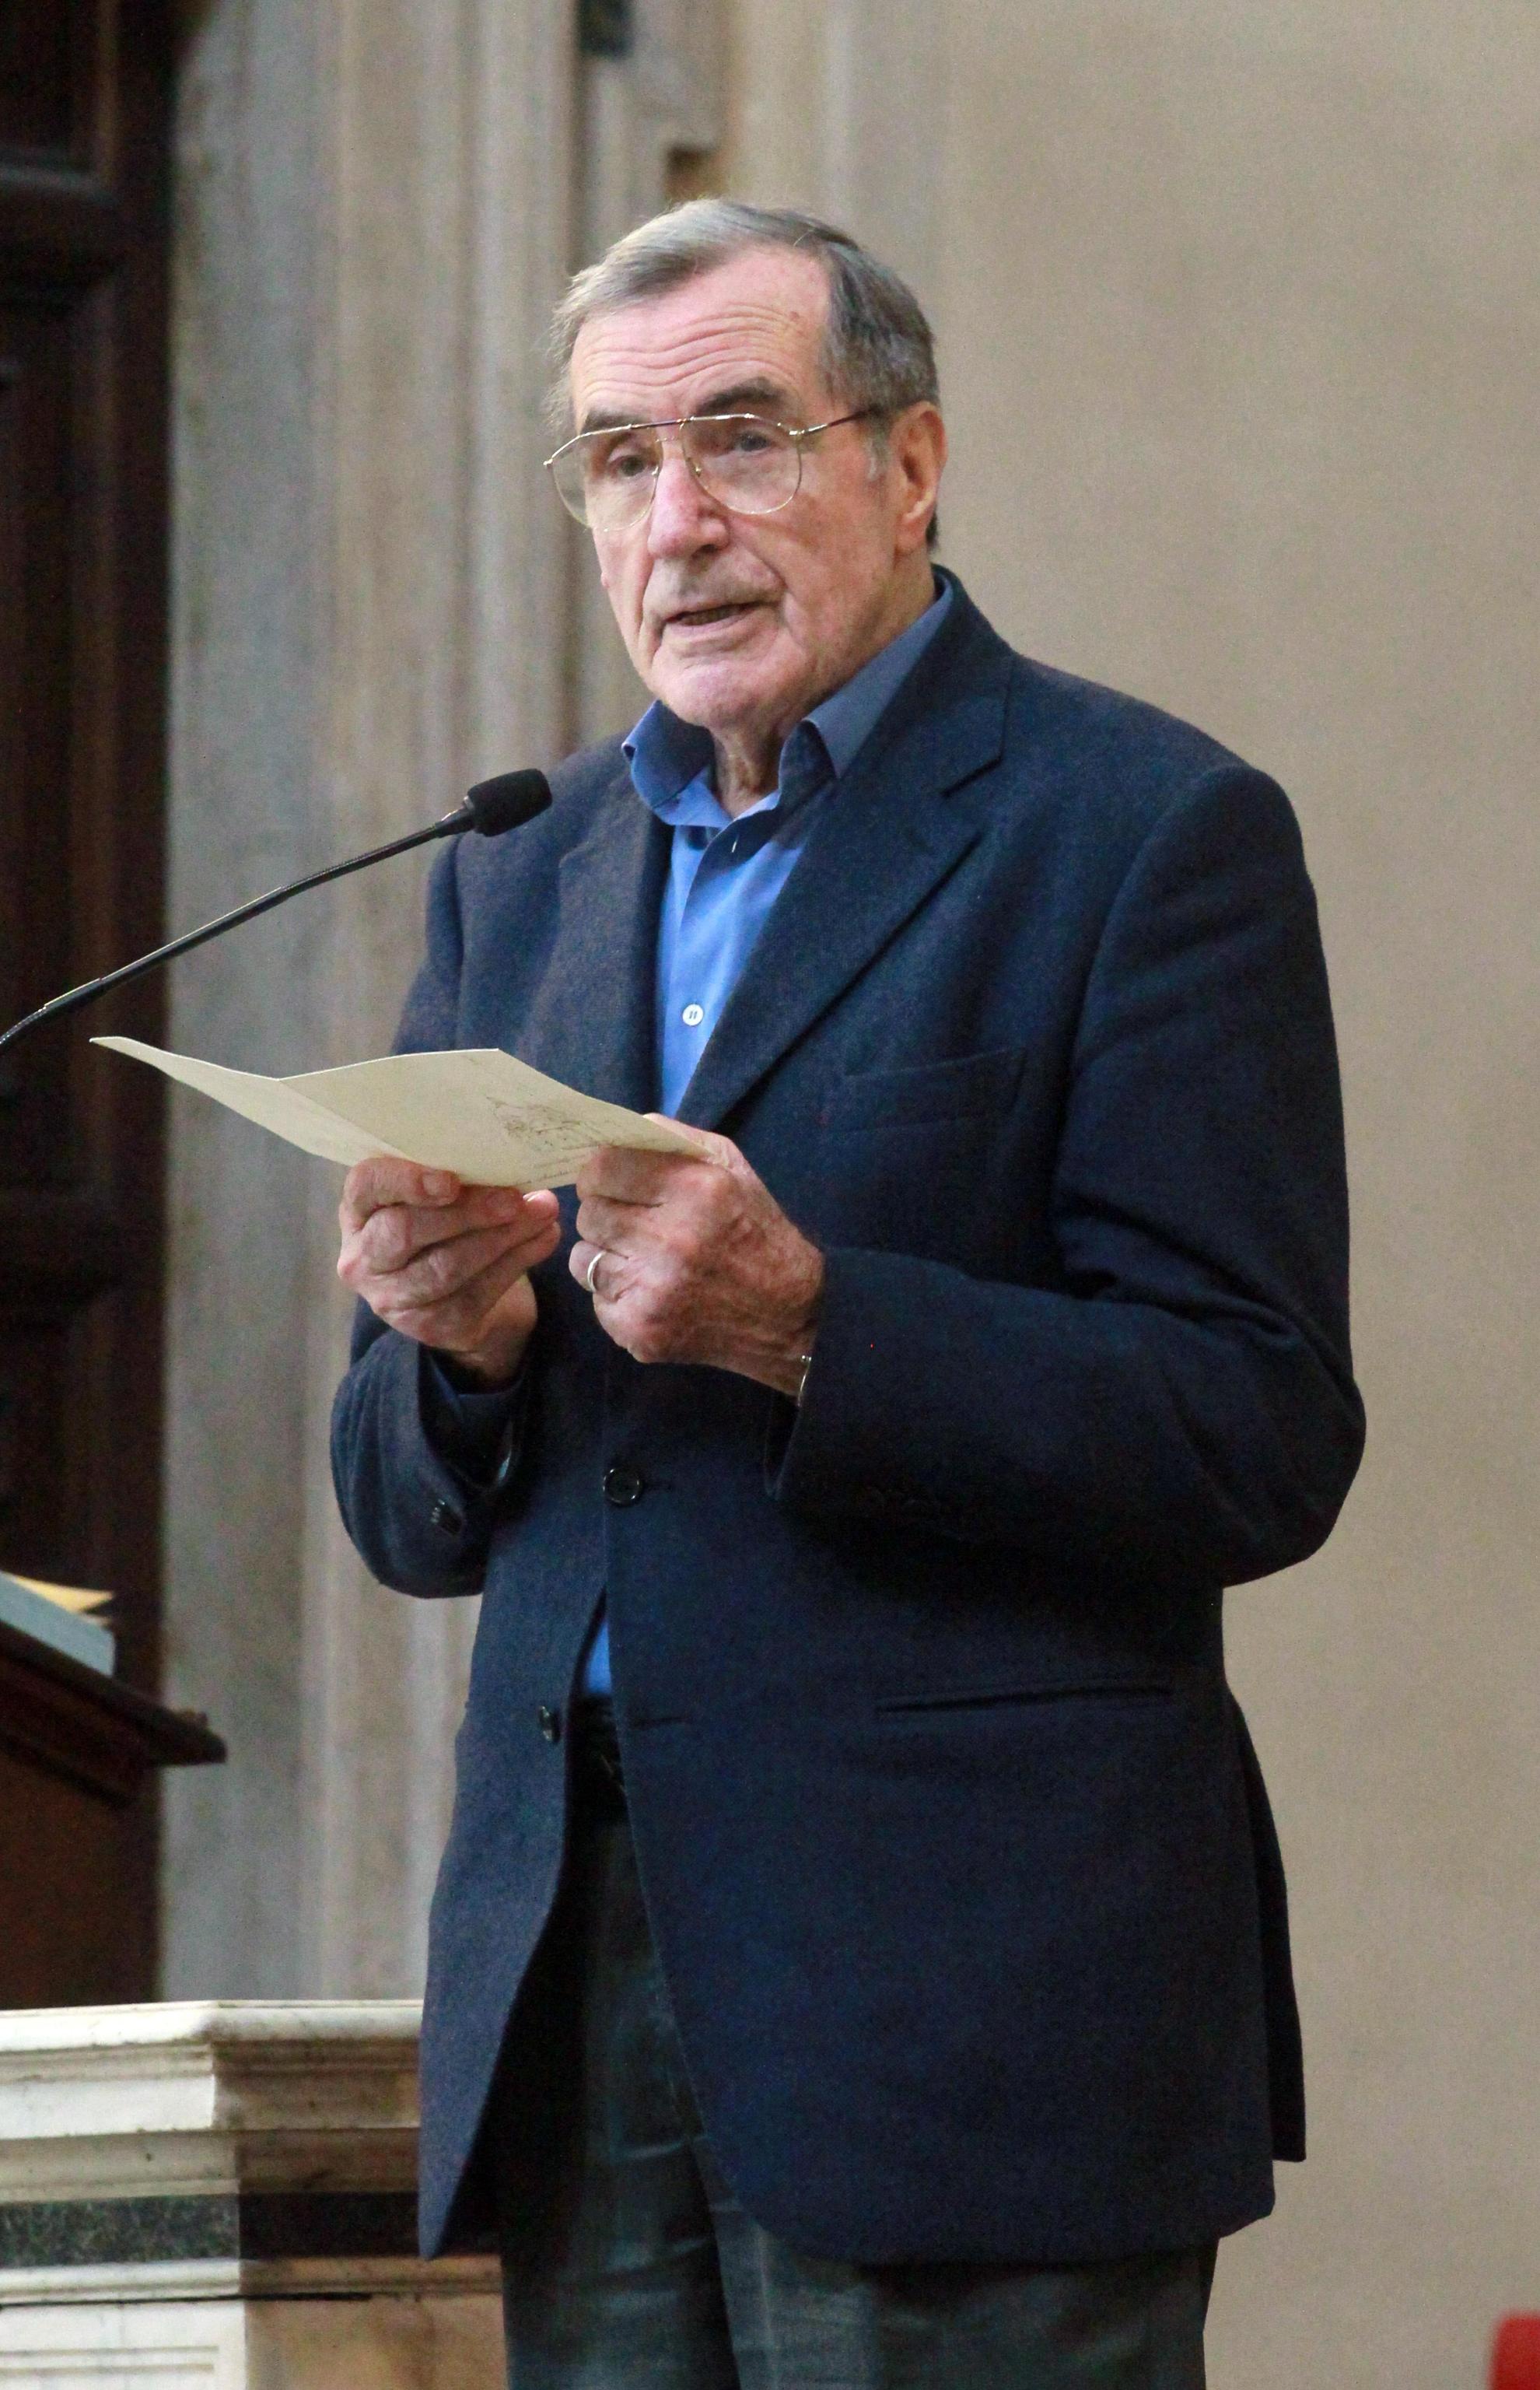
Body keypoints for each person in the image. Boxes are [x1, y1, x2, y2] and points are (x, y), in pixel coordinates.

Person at [331, 199, 1364, 2388]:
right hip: (582, 1961)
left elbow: (1255, 1429)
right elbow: (404, 1514)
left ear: (910, 466)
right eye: (621, 461)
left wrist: (812, 1326)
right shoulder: (518, 869)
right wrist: (459, 1350)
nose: (677, 521)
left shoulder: (1140, 830)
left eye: (741, 438)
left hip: (968, 1995)